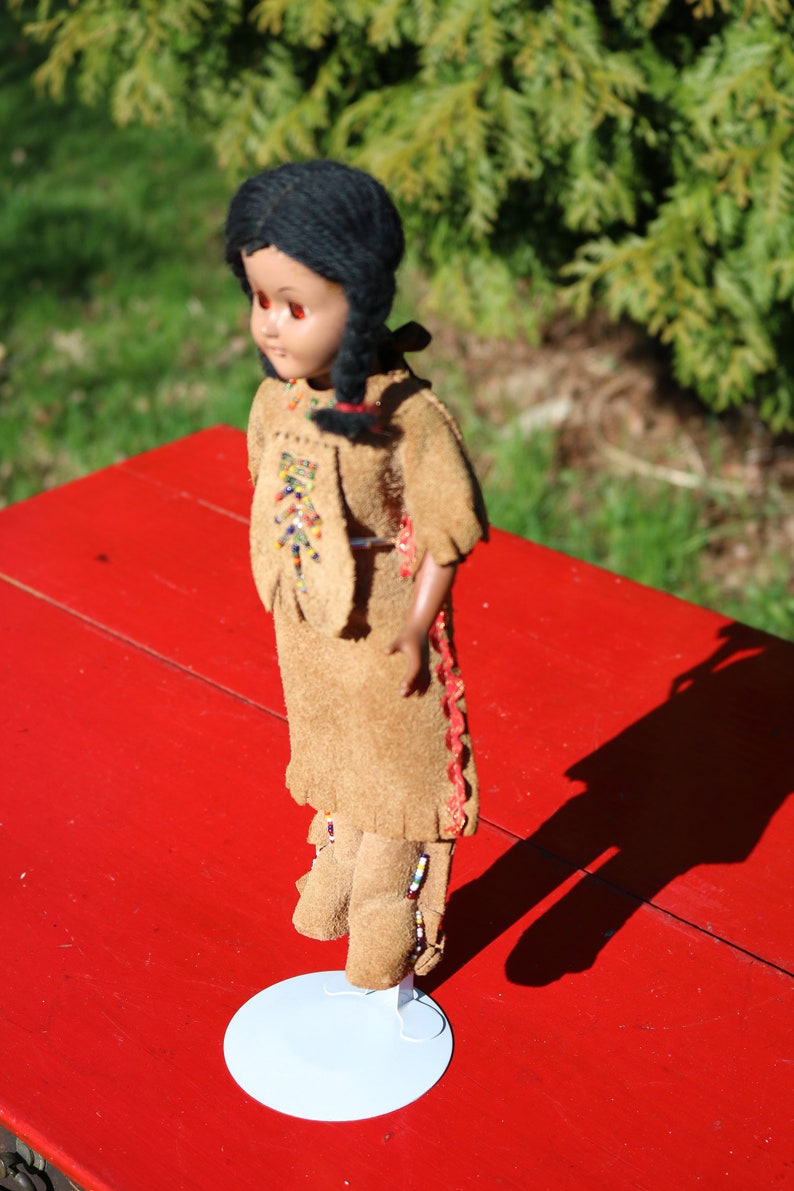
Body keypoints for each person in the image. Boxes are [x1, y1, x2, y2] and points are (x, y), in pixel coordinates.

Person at [225, 160, 487, 993]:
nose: (271, 325)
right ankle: (339, 865)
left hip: (383, 646)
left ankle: (383, 933)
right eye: (260, 299)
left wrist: (416, 627)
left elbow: (449, 532)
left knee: (399, 790)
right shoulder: (279, 401)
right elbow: (269, 486)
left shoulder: (404, 416)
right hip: (310, 642)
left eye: (295, 306)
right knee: (341, 774)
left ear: (361, 298)